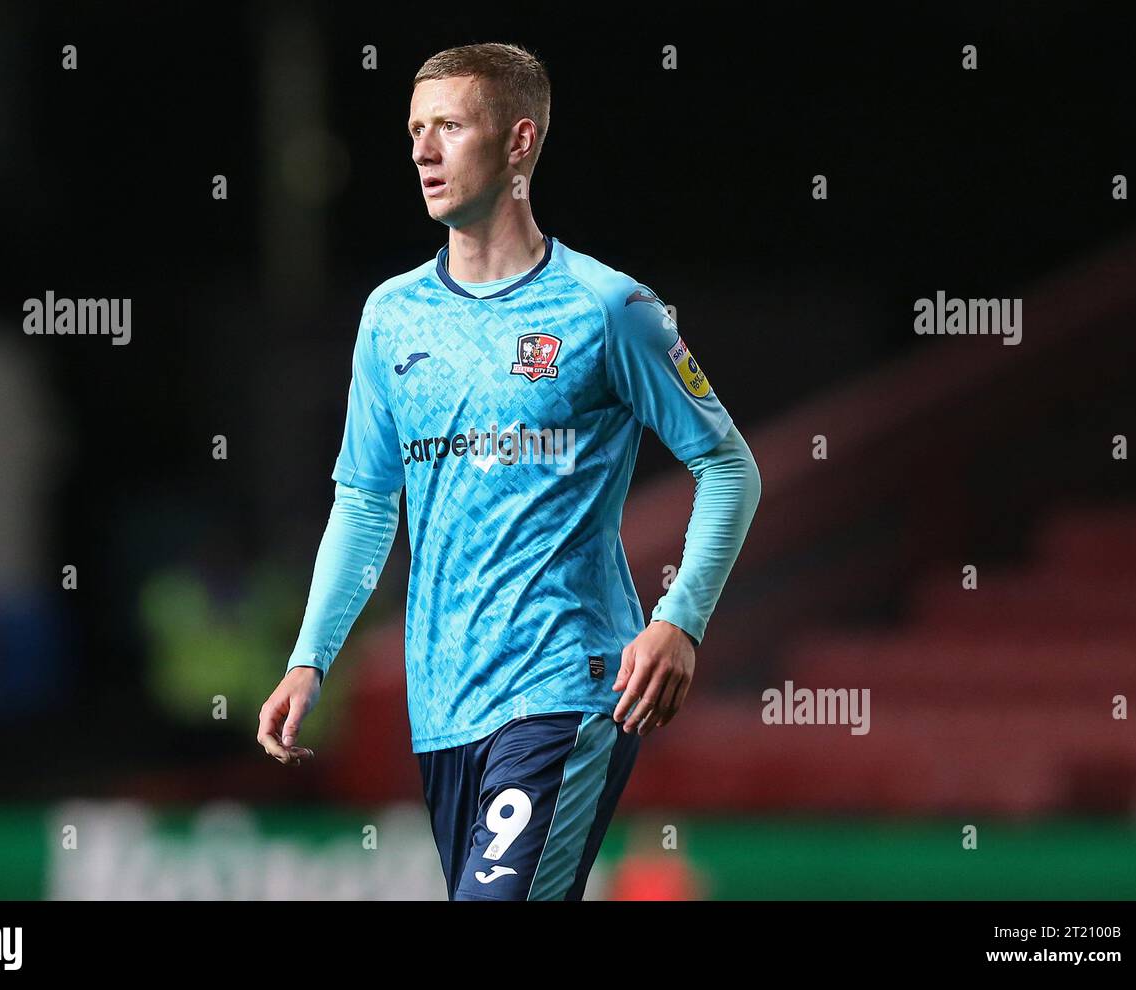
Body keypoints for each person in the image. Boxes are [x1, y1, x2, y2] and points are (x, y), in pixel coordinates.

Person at [258, 42, 761, 901]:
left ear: (520, 142)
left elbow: (729, 465)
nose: (422, 150)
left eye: (450, 126)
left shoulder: (608, 309)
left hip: (565, 686)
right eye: (416, 129)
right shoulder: (391, 317)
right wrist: (310, 657)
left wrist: (680, 620)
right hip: (445, 705)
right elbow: (367, 503)